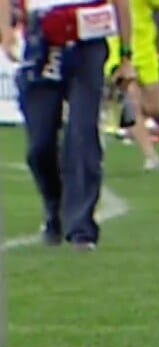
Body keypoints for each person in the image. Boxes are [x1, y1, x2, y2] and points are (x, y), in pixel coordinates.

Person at [0, 0, 134, 250]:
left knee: (82, 134)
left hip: (87, 39)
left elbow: (121, 3)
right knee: (40, 146)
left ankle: (81, 229)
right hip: (42, 39)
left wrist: (127, 56)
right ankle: (54, 208)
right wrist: (6, 32)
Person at [104, 0, 159, 171]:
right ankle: (150, 156)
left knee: (155, 108)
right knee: (131, 102)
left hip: (145, 52)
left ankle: (120, 120)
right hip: (116, 53)